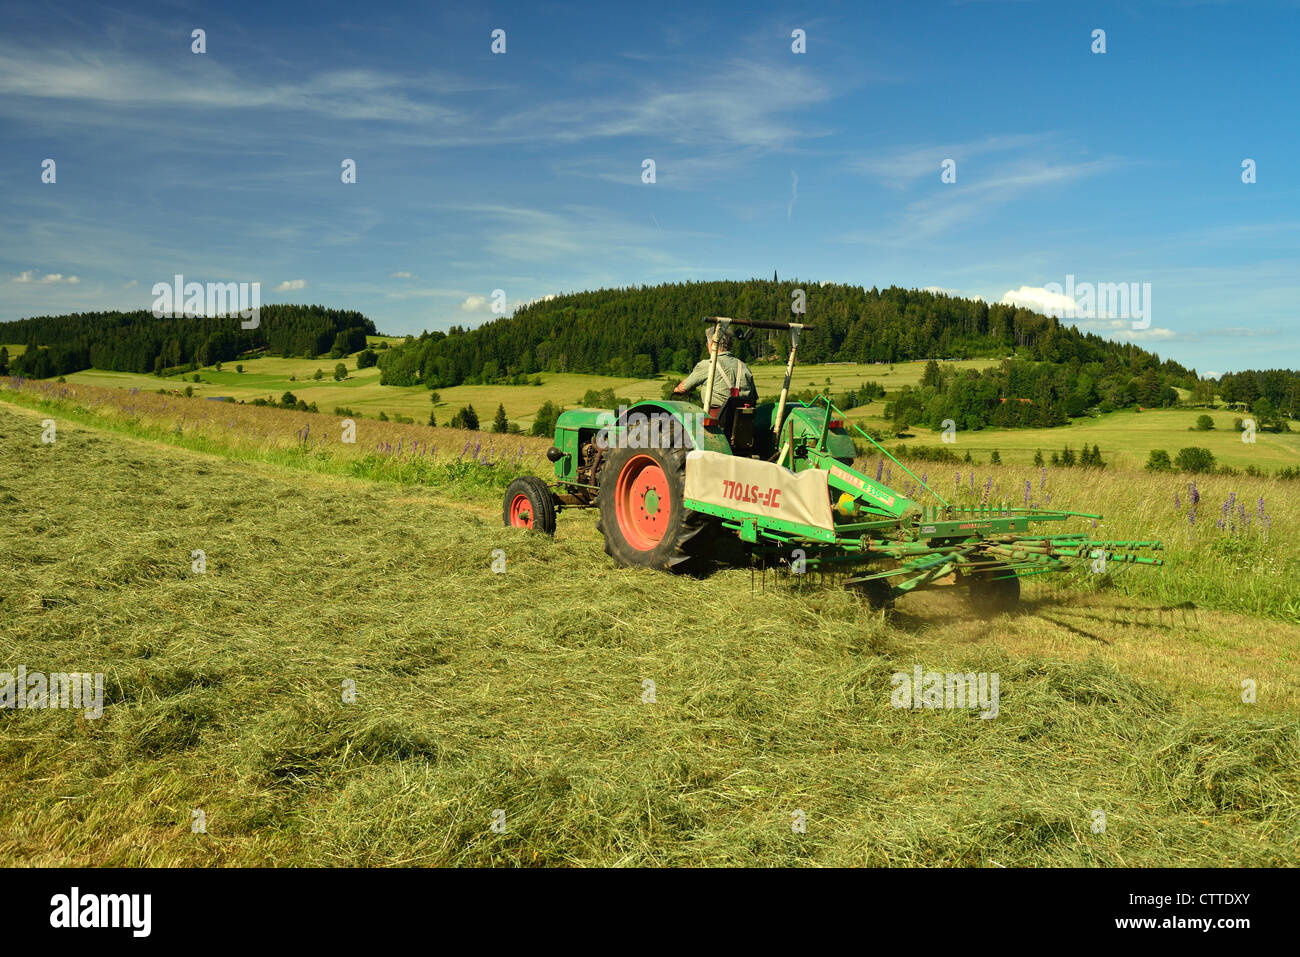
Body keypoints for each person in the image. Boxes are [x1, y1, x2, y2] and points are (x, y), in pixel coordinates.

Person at [672, 326, 757, 409]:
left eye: (707, 343)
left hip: (716, 417)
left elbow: (684, 387)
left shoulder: (708, 365)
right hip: (743, 419)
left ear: (713, 344)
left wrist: (676, 389)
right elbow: (754, 397)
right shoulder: (744, 366)